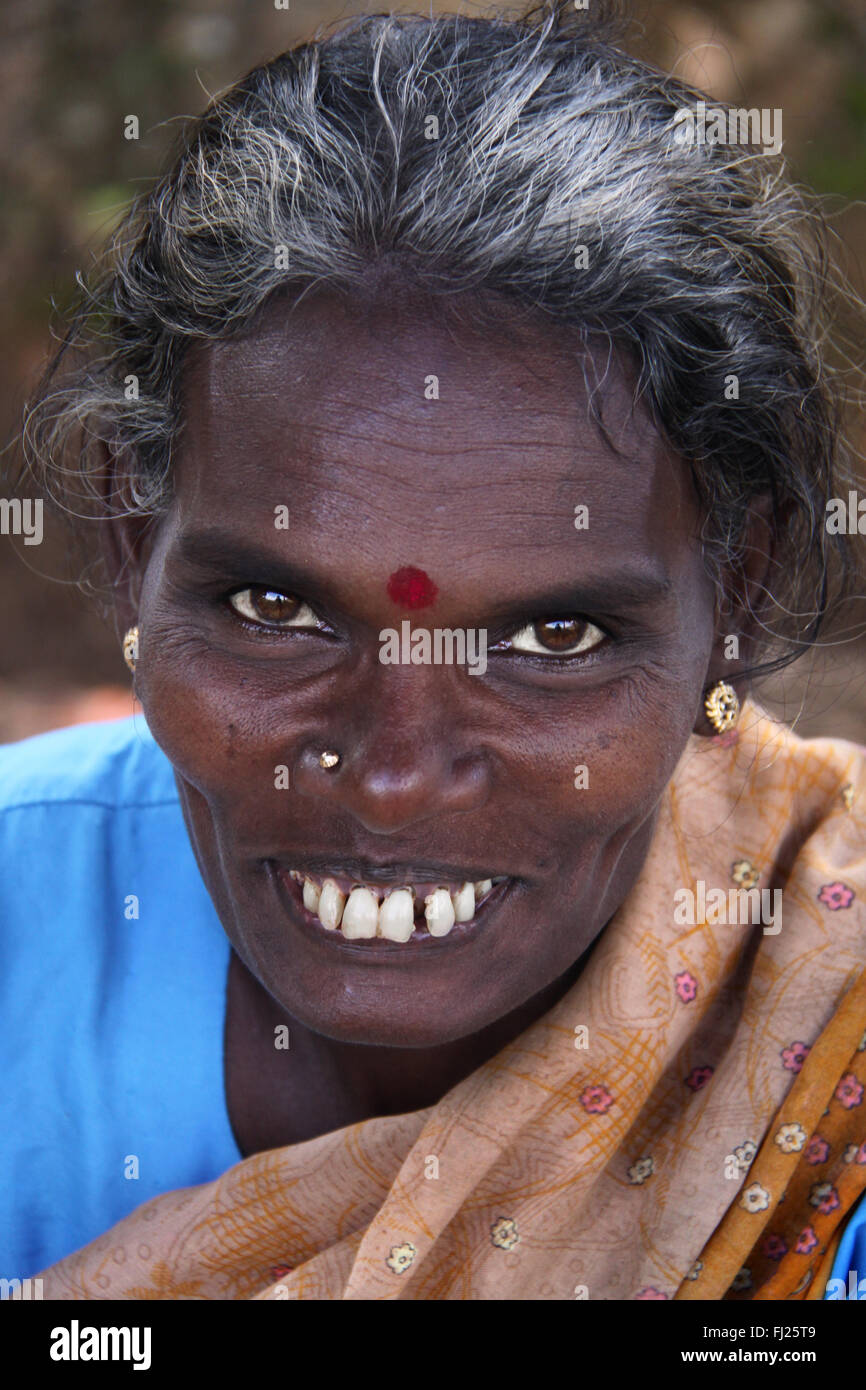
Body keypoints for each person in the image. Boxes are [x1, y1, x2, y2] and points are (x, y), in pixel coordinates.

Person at [3, 1, 865, 1301]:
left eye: (552, 635)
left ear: (733, 594)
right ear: (134, 540)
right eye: (276, 611)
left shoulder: (827, 1028)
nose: (395, 778)